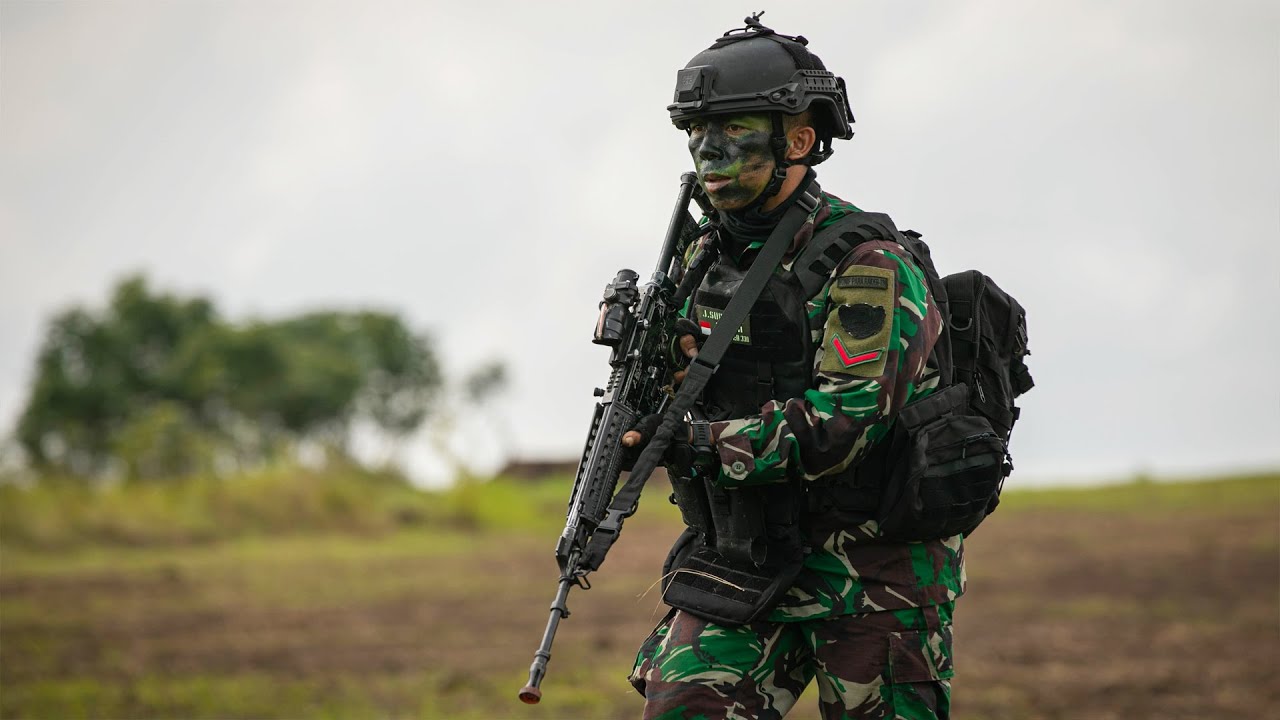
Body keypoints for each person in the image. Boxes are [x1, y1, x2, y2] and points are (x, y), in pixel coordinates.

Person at [621, 14, 962, 720]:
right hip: (746, 557)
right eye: (696, 135)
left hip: (873, 569)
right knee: (681, 705)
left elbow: (844, 425)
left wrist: (694, 443)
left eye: (734, 132)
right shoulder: (699, 260)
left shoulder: (868, 265)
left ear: (799, 140)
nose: (708, 153)